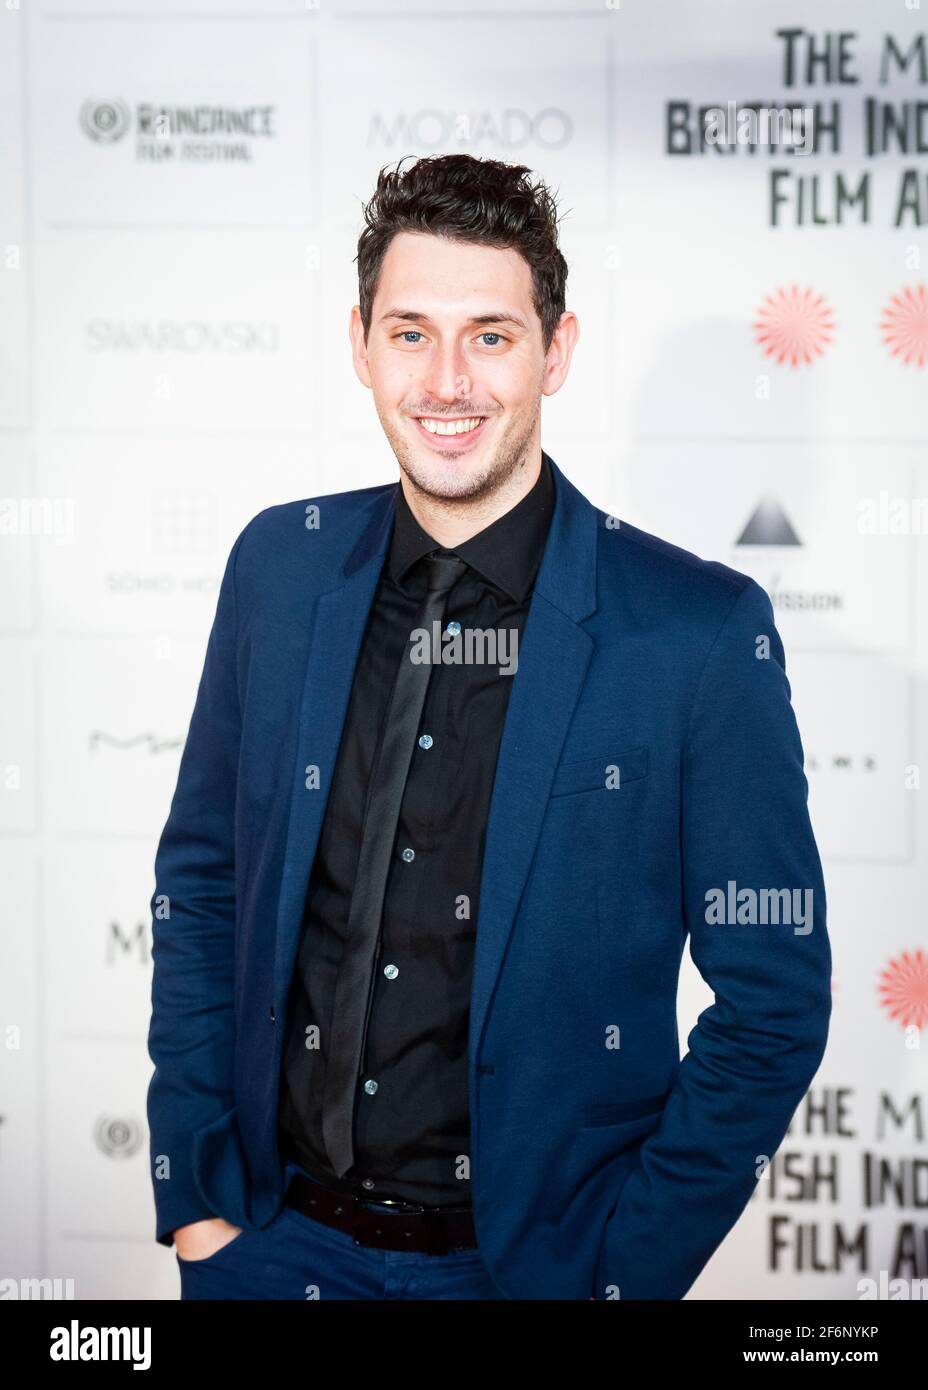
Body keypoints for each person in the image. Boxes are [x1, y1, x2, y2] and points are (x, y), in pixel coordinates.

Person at [146, 153, 831, 1301]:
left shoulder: (695, 635)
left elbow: (773, 1000)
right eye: (410, 332)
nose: (446, 379)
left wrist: (618, 1269)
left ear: (555, 352)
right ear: (358, 343)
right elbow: (202, 883)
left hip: (522, 1274)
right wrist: (201, 1208)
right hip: (269, 1247)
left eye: (492, 336)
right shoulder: (279, 563)